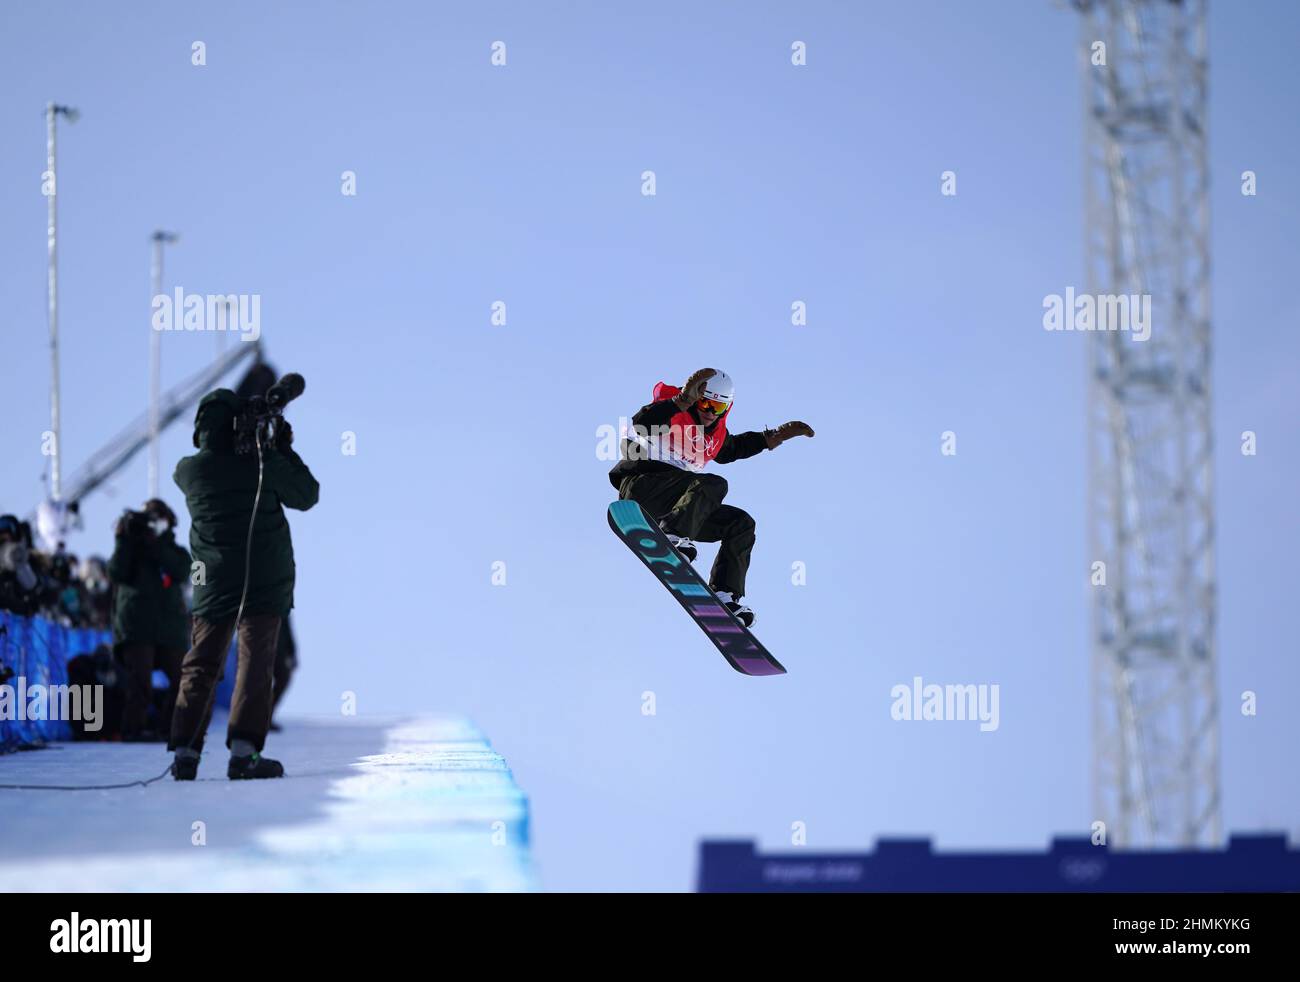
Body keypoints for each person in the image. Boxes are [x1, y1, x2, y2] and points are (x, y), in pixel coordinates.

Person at [168, 389, 319, 781]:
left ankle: (185, 753)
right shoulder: (261, 463)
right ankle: (244, 753)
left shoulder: (188, 471)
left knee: (201, 664)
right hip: (263, 582)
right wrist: (279, 448)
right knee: (255, 666)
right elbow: (307, 495)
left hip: (210, 582)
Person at [607, 368, 813, 626]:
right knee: (713, 484)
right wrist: (680, 401)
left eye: (717, 407)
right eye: (704, 402)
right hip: (642, 487)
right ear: (694, 397)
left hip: (677, 506)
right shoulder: (671, 411)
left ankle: (725, 595)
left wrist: (771, 438)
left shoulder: (713, 435)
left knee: (741, 523)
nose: (707, 411)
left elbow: (733, 448)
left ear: (725, 409)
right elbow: (642, 423)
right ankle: (672, 536)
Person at [107, 499, 190, 740]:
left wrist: (157, 546)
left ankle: (169, 728)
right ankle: (133, 729)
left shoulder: (176, 551)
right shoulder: (130, 549)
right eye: (149, 519)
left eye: (158, 518)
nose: (153, 524)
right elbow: (115, 572)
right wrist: (124, 538)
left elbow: (184, 571)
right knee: (139, 681)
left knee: (183, 678)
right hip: (136, 627)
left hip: (169, 630)